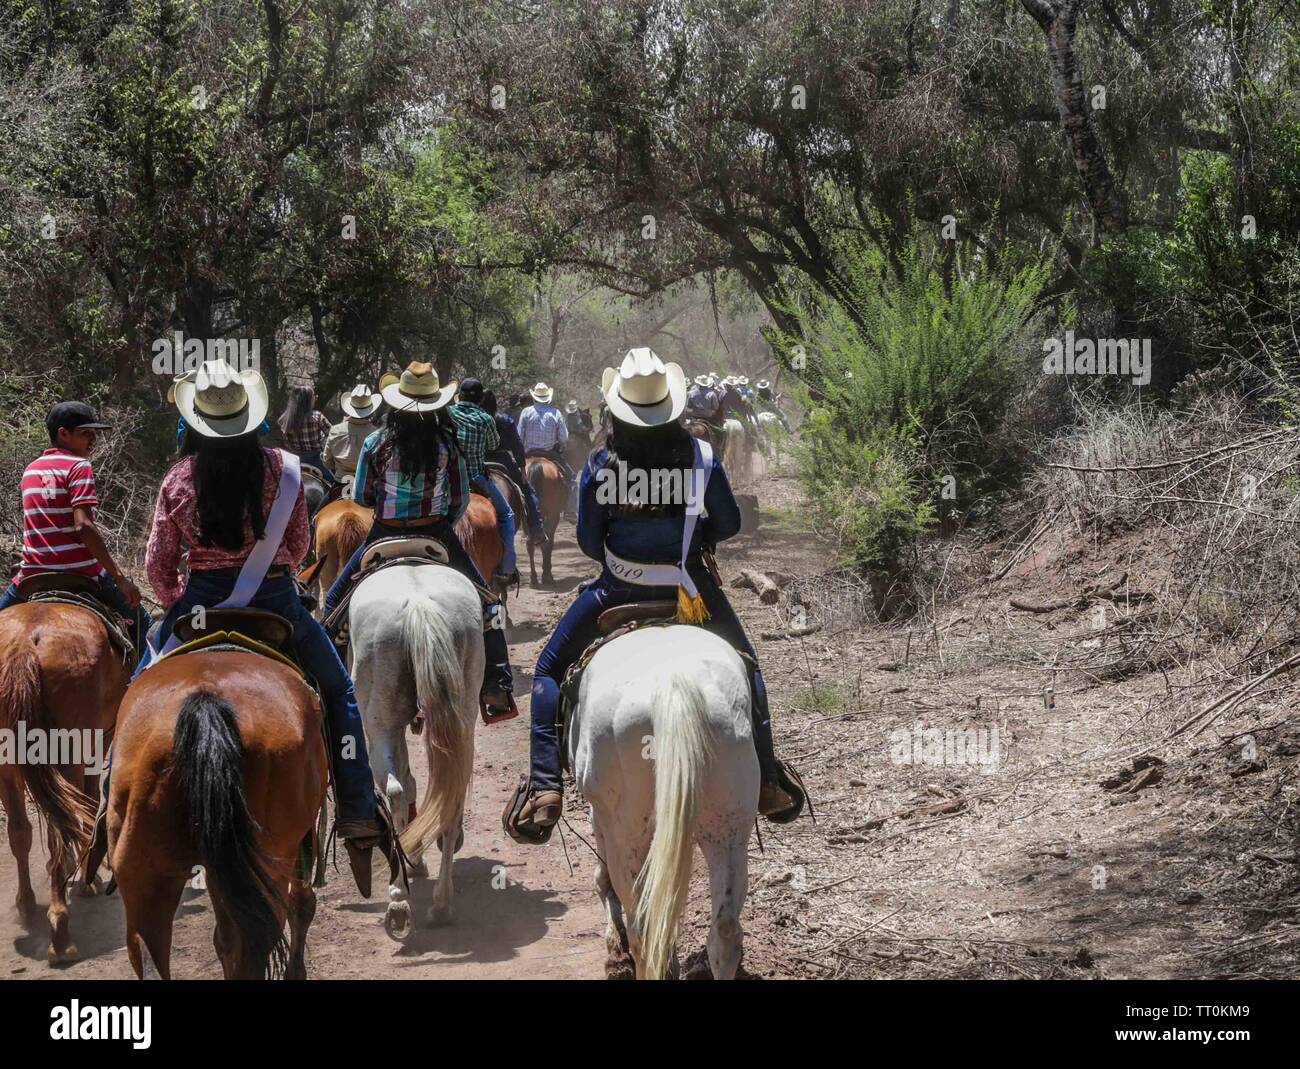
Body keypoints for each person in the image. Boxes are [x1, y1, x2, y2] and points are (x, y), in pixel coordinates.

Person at [503, 348, 805, 844]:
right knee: (746, 665)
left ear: (619, 408)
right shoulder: (702, 455)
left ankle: (544, 785)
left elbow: (586, 542)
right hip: (691, 591)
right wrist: (693, 532)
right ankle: (767, 778)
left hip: (616, 589)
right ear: (670, 404)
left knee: (548, 671)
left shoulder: (602, 462)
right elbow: (728, 523)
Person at [136, 359, 380, 844]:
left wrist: (178, 607)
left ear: (198, 420)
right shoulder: (283, 470)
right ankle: (357, 808)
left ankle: (112, 805)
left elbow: (158, 565)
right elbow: (297, 549)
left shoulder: (177, 479)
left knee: (135, 692)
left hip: (199, 606)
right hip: (274, 601)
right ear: (249, 415)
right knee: (338, 693)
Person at [322, 362, 516, 720]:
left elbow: (363, 496)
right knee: (488, 605)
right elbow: (459, 499)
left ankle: (330, 693)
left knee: (333, 606)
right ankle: (497, 685)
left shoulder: (375, 442)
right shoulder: (447, 443)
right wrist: (443, 521)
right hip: (436, 532)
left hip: (384, 532)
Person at [0, 402, 151, 651]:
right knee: (142, 623)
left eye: (94, 435)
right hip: (82, 573)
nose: (93, 440)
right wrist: (120, 578)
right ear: (63, 433)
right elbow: (83, 526)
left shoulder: (30, 470)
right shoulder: (79, 466)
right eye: (86, 434)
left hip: (32, 575)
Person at [450, 378, 518, 582]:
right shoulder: (485, 418)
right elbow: (494, 443)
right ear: (480, 399)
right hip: (477, 477)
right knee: (506, 514)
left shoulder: (448, 413)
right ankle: (507, 568)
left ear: (459, 396)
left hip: (449, 480)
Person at [483, 390, 546, 545]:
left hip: (480, 459)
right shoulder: (505, 419)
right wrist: (522, 466)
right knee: (527, 490)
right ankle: (535, 529)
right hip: (503, 459)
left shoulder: (476, 419)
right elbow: (517, 445)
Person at [516, 381, 575, 513]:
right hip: (549, 454)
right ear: (548, 397)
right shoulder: (556, 413)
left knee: (512, 478)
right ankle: (570, 511)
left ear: (534, 397)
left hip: (529, 454)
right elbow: (564, 438)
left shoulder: (526, 412)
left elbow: (519, 436)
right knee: (571, 477)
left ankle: (515, 510)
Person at [324, 384, 383, 490]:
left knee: (320, 507)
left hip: (340, 484)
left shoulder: (335, 430)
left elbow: (327, 462)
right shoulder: (377, 434)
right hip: (366, 487)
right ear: (371, 410)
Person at [278, 384, 335, 484]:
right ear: (308, 400)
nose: (315, 398)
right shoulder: (317, 416)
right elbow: (333, 434)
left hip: (294, 461)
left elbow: (285, 443)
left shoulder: (284, 419)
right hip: (316, 460)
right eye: (314, 396)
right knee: (335, 485)